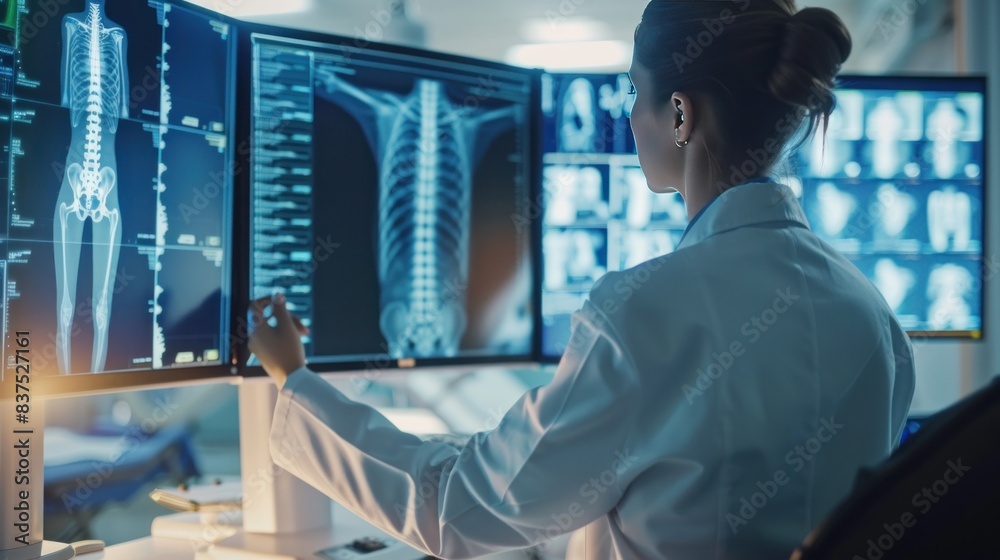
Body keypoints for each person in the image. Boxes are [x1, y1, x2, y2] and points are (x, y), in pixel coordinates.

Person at [248, 1, 916, 558]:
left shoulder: (644, 313)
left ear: (680, 116)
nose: (628, 116)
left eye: (633, 91)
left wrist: (296, 382)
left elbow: (460, 511)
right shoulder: (874, 318)